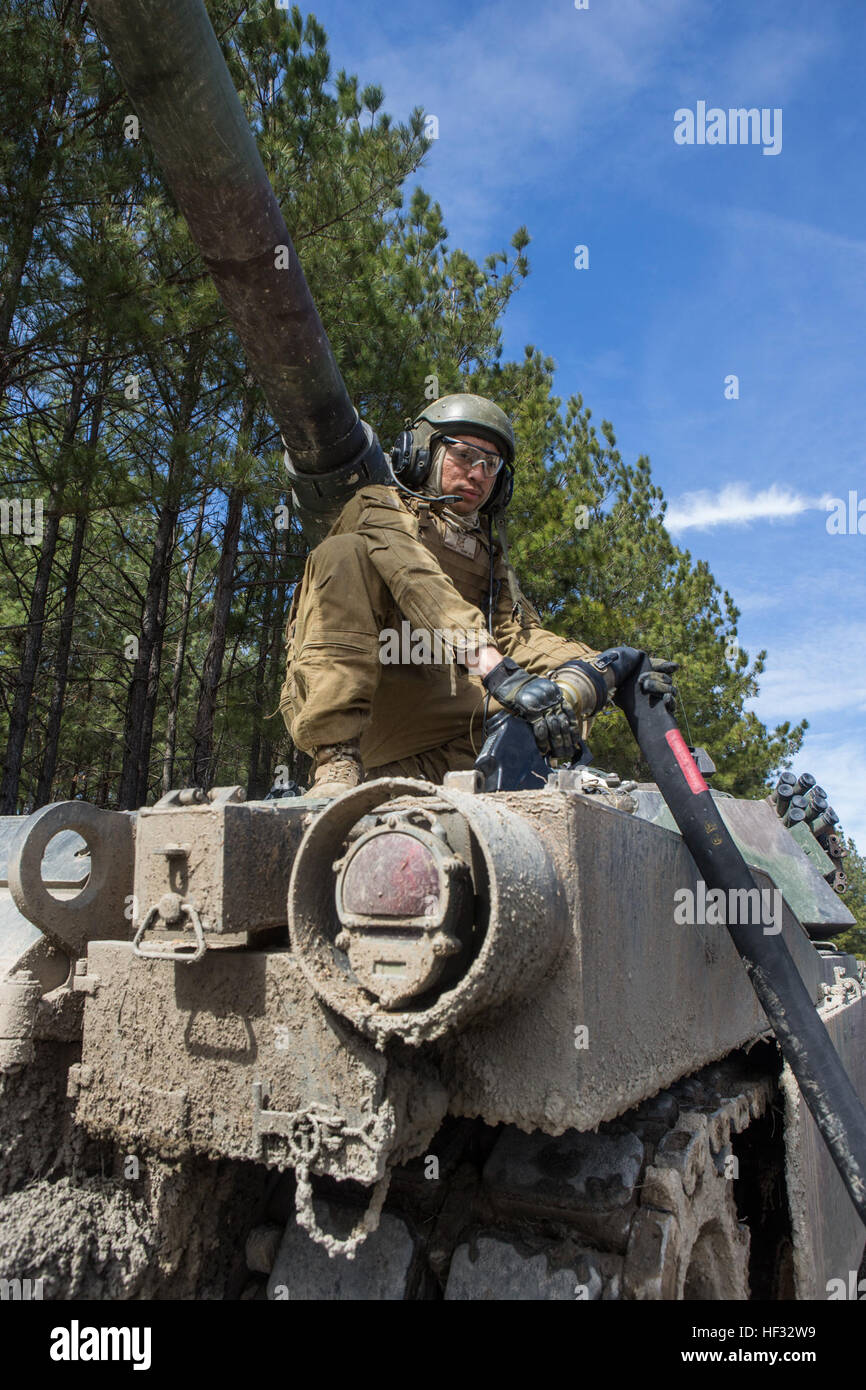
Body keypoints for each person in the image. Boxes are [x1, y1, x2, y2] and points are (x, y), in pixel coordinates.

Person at [279, 394, 675, 796]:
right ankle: (336, 762)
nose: (479, 474)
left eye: (491, 465)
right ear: (421, 454)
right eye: (465, 456)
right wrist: (494, 668)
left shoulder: (488, 553)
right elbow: (417, 578)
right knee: (342, 555)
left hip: (437, 719)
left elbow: (517, 635)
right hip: (365, 696)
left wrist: (605, 667)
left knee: (541, 701)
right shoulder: (377, 505)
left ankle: (426, 784)